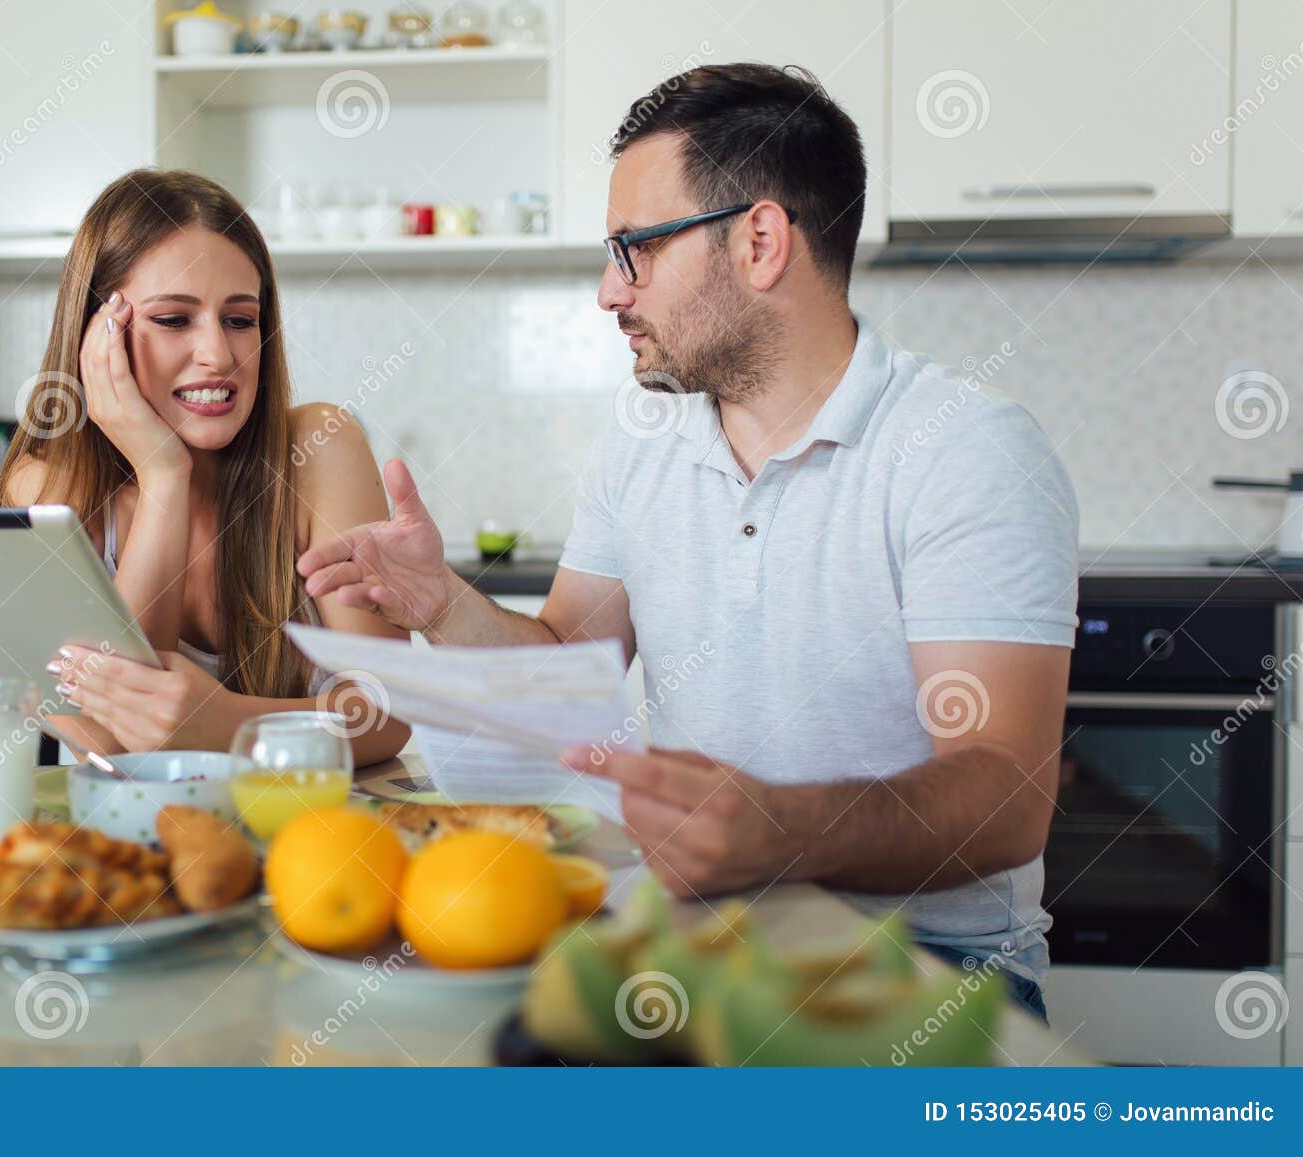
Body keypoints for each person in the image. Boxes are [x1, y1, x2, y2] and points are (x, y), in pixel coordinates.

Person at [296, 64, 1077, 1021]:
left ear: (759, 242)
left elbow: (1005, 794)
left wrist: (782, 831)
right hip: (695, 944)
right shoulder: (645, 435)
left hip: (926, 970)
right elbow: (568, 660)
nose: (607, 292)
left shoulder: (963, 447)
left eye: (634, 249)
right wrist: (444, 606)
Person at [0, 168, 409, 765]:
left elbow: (389, 714)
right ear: (97, 335)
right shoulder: (45, 490)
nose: (218, 355)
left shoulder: (321, 447)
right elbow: (111, 745)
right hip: (137, 826)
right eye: (173, 319)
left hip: (317, 819)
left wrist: (227, 723)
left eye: (239, 320)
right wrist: (163, 475)